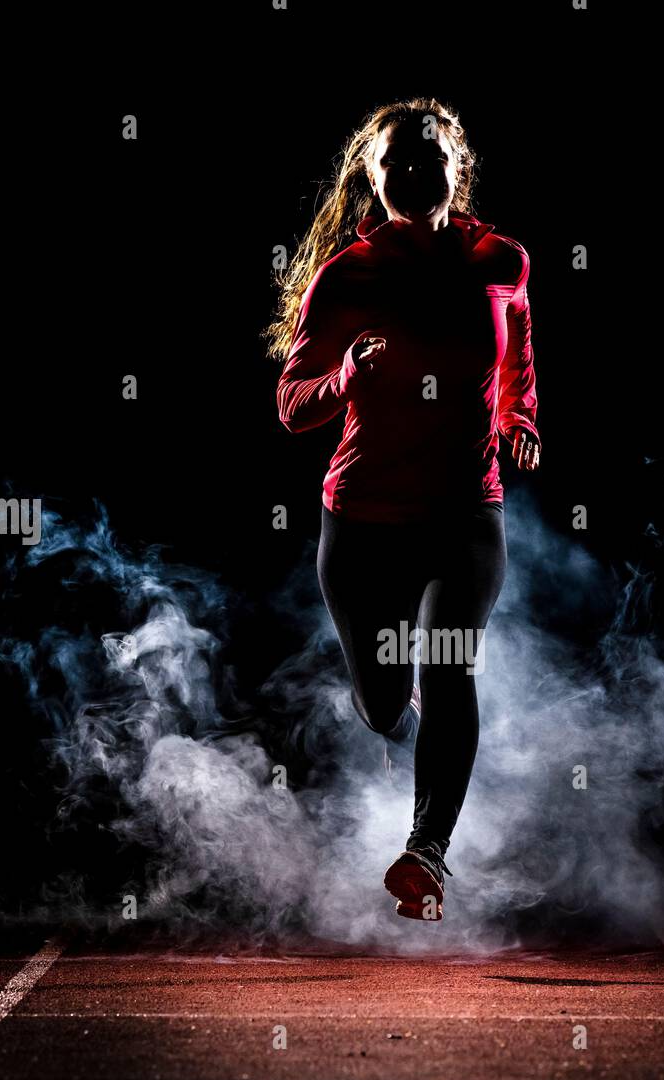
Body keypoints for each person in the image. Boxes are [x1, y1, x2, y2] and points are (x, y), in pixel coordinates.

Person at [267, 97, 540, 922]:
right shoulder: (349, 274)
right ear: (373, 176)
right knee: (386, 703)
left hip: (464, 517)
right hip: (360, 527)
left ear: (459, 167)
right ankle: (401, 708)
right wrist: (345, 377)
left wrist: (518, 418)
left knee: (449, 664)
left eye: (431, 158)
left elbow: (518, 350)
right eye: (397, 162)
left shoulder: (503, 261)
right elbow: (292, 403)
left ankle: (427, 853)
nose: (415, 172)